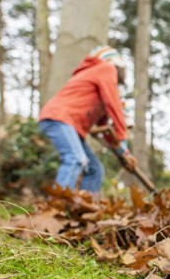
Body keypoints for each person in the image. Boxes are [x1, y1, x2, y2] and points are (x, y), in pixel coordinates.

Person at [38, 46, 137, 194]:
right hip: (59, 118)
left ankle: (82, 210)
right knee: (75, 159)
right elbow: (114, 105)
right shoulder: (106, 68)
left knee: (94, 171)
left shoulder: (100, 84)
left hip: (72, 127)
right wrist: (122, 140)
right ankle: (54, 207)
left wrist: (120, 150)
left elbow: (104, 126)